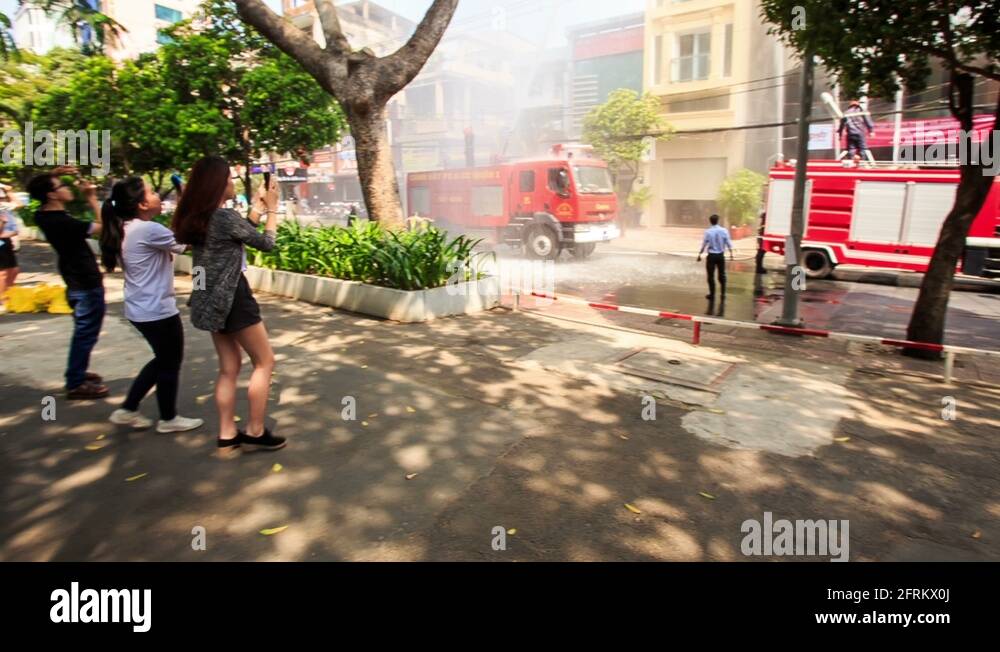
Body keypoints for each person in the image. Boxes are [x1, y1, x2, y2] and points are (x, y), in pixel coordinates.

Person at [172, 156, 285, 458]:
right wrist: (273, 208)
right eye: (228, 179)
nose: (232, 183)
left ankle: (226, 436)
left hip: (209, 299)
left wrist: (258, 208)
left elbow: (241, 232)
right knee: (264, 362)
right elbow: (265, 243)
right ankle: (256, 431)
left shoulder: (201, 217)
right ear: (217, 185)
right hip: (234, 297)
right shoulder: (222, 217)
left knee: (229, 367)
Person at [99, 177, 204, 433]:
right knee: (170, 362)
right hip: (156, 310)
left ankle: (128, 409)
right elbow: (189, 241)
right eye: (152, 191)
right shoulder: (147, 230)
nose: (158, 194)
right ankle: (168, 419)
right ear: (142, 204)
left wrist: (183, 203)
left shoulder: (131, 227)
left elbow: (174, 236)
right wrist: (190, 202)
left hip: (141, 308)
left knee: (162, 360)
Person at [29, 168, 108, 399]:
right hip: (85, 282)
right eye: (61, 185)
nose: (67, 188)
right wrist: (92, 198)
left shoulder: (42, 216)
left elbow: (37, 187)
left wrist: (54, 172)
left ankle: (78, 372)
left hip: (75, 281)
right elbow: (101, 228)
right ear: (52, 195)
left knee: (84, 331)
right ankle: (75, 381)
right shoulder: (64, 222)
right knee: (86, 333)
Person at [697, 214, 734, 300]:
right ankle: (723, 294)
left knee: (710, 276)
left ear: (710, 221)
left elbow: (704, 244)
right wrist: (731, 254)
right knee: (722, 275)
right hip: (721, 256)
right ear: (718, 221)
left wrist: (700, 254)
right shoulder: (724, 231)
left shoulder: (708, 232)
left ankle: (712, 295)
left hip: (712, 256)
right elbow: (728, 243)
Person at [0, 185, 21, 311]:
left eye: (2, 198)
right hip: (1, 241)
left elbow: (18, 204)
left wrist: (10, 190)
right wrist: (2, 222)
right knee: (2, 272)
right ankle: (2, 300)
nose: (2, 200)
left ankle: (7, 295)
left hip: (5, 241)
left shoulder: (4, 207)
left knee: (14, 270)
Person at [839, 99, 875, 164]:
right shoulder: (861, 111)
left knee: (851, 149)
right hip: (860, 133)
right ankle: (862, 163)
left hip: (850, 133)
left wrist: (840, 134)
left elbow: (842, 124)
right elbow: (868, 121)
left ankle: (851, 163)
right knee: (862, 149)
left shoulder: (846, 112)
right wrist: (871, 131)